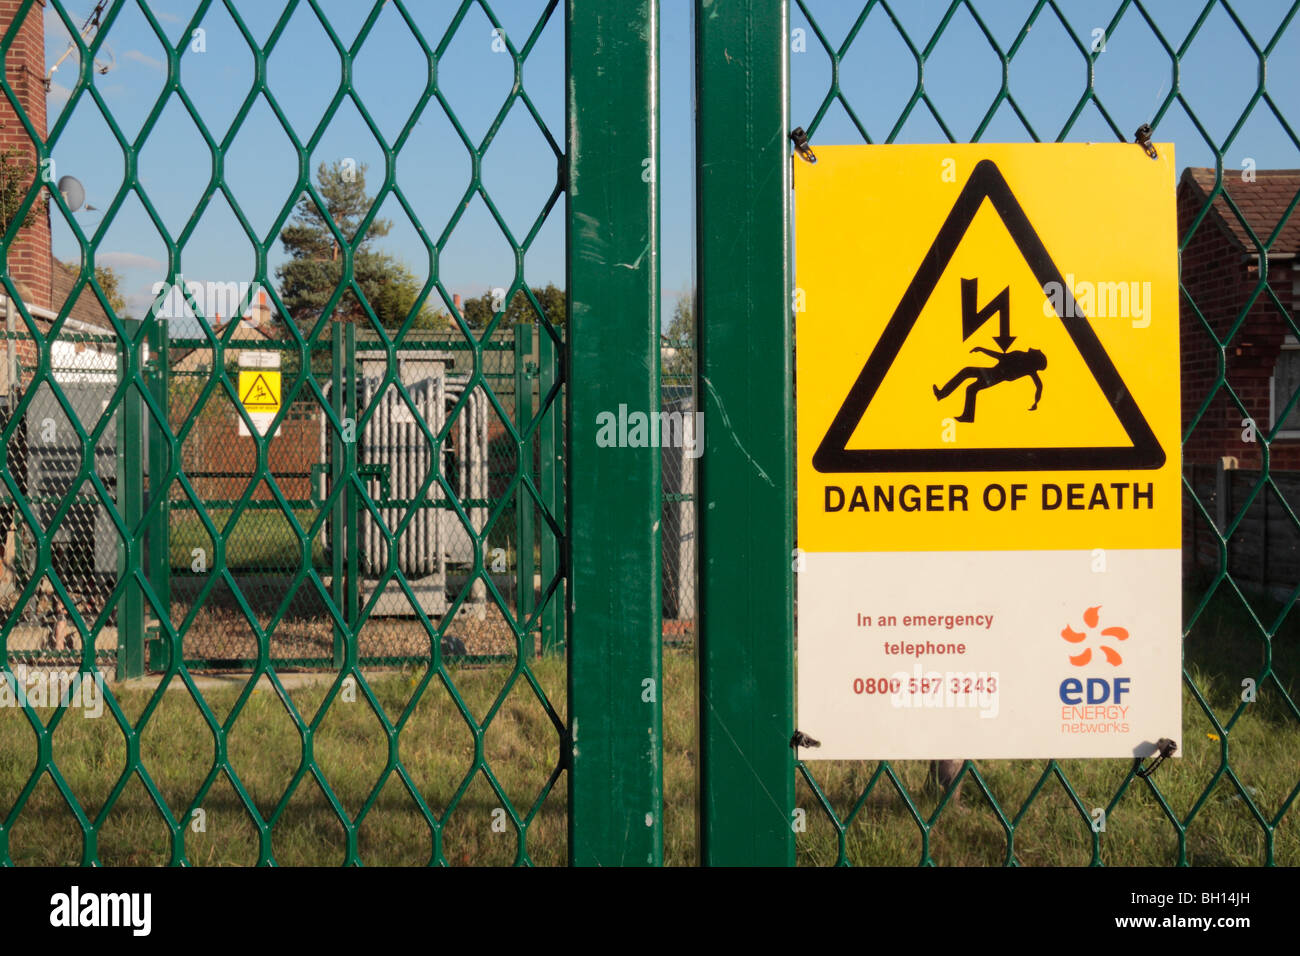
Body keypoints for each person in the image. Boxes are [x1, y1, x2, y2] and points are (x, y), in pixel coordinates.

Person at [933, 347, 1046, 423]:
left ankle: (965, 414)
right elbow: (1039, 385)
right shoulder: (1026, 365)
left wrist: (982, 349)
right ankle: (944, 397)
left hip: (993, 376)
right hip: (992, 374)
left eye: (1038, 352)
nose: (1036, 349)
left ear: (1034, 358)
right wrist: (1036, 402)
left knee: (970, 387)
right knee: (968, 379)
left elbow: (1000, 356)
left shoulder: (1021, 359)